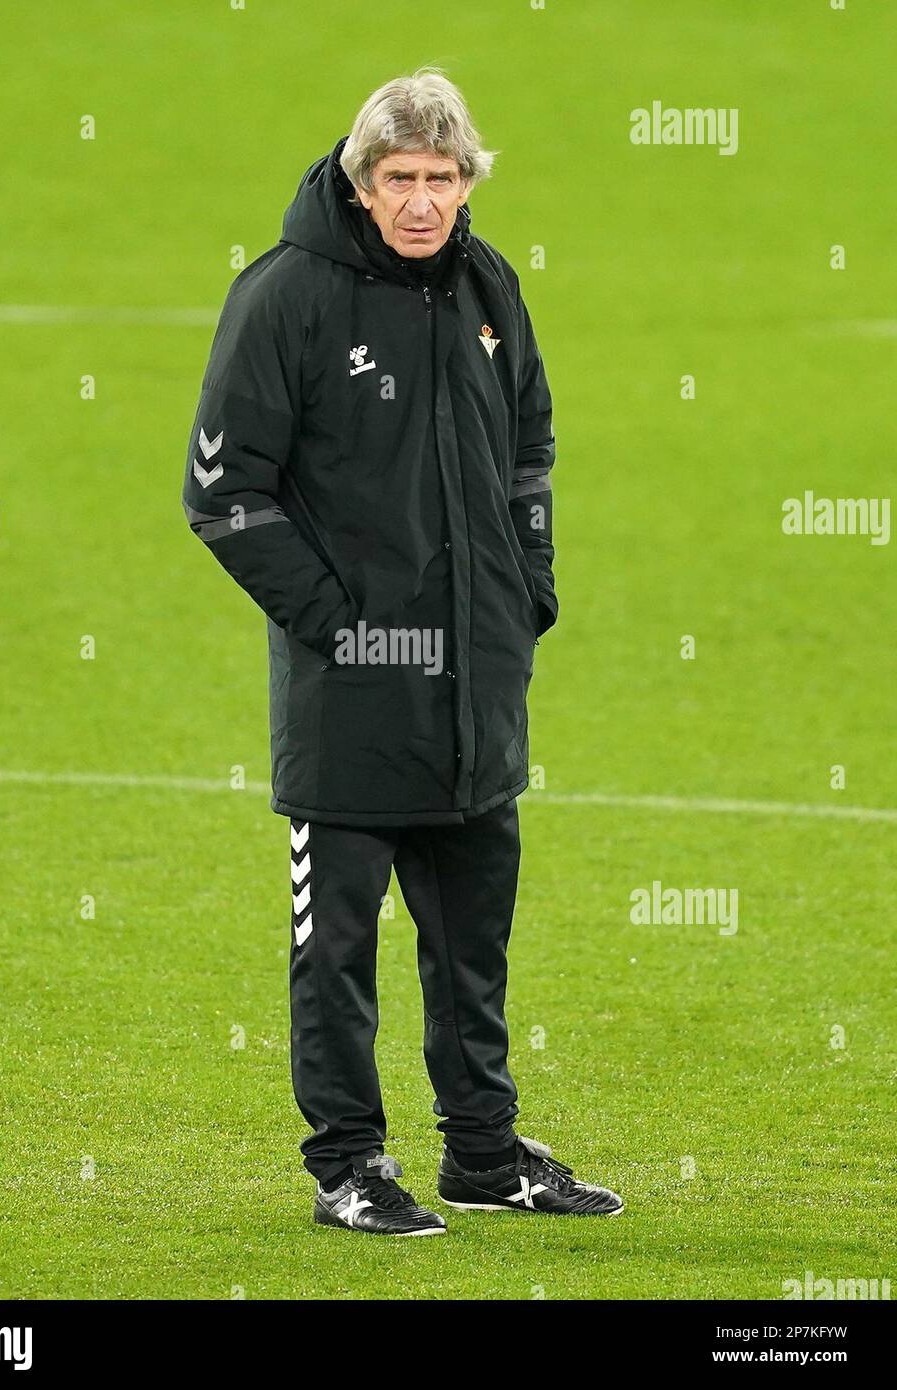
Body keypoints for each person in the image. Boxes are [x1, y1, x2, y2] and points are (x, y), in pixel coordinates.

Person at [182, 68, 623, 1234]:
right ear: (360, 182)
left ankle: (482, 1151)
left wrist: (526, 590)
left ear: (465, 181)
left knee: (472, 947)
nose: (421, 201)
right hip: (351, 699)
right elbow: (224, 493)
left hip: (478, 687)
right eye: (398, 180)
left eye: (440, 178)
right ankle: (347, 1166)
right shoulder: (283, 298)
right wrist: (335, 624)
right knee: (336, 955)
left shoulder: (486, 285)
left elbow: (530, 446)